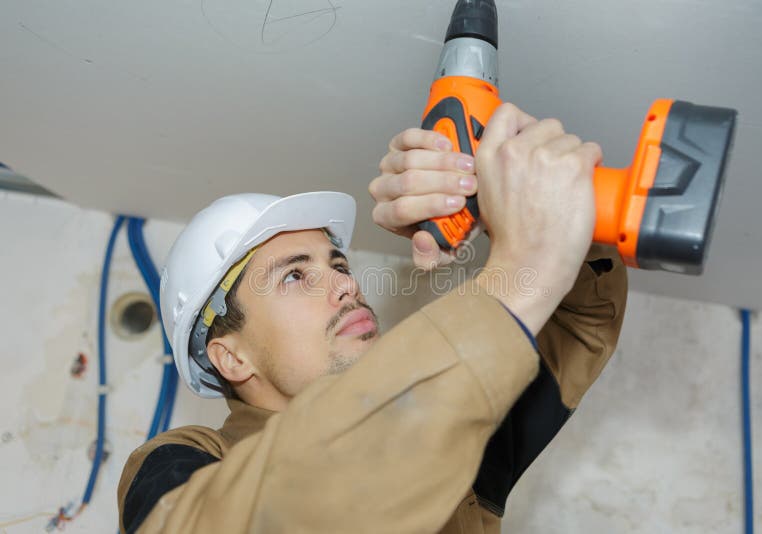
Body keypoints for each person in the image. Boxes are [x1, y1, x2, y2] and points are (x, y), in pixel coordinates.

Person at [117, 104, 627, 533]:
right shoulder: (181, 464)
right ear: (231, 357)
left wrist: (504, 198)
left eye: (338, 264)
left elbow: (582, 317)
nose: (347, 284)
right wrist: (515, 271)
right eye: (295, 276)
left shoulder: (455, 423)